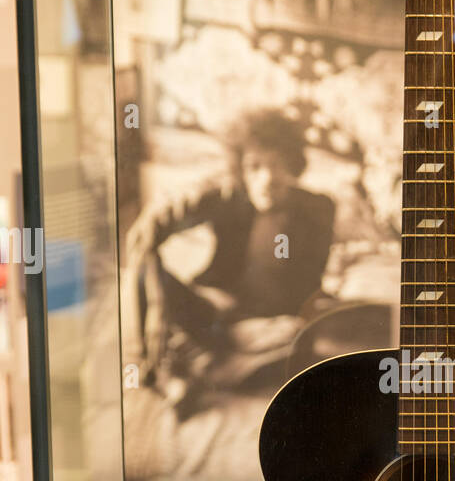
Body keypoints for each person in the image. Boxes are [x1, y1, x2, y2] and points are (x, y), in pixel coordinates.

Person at [127, 109, 335, 418]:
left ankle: (189, 365)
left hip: (269, 327)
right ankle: (167, 359)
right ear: (240, 169)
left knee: (295, 347)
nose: (266, 178)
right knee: (145, 263)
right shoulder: (228, 196)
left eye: (276, 165)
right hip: (215, 314)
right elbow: (147, 230)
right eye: (254, 167)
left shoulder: (318, 208)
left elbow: (308, 290)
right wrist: (160, 310)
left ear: (293, 165)